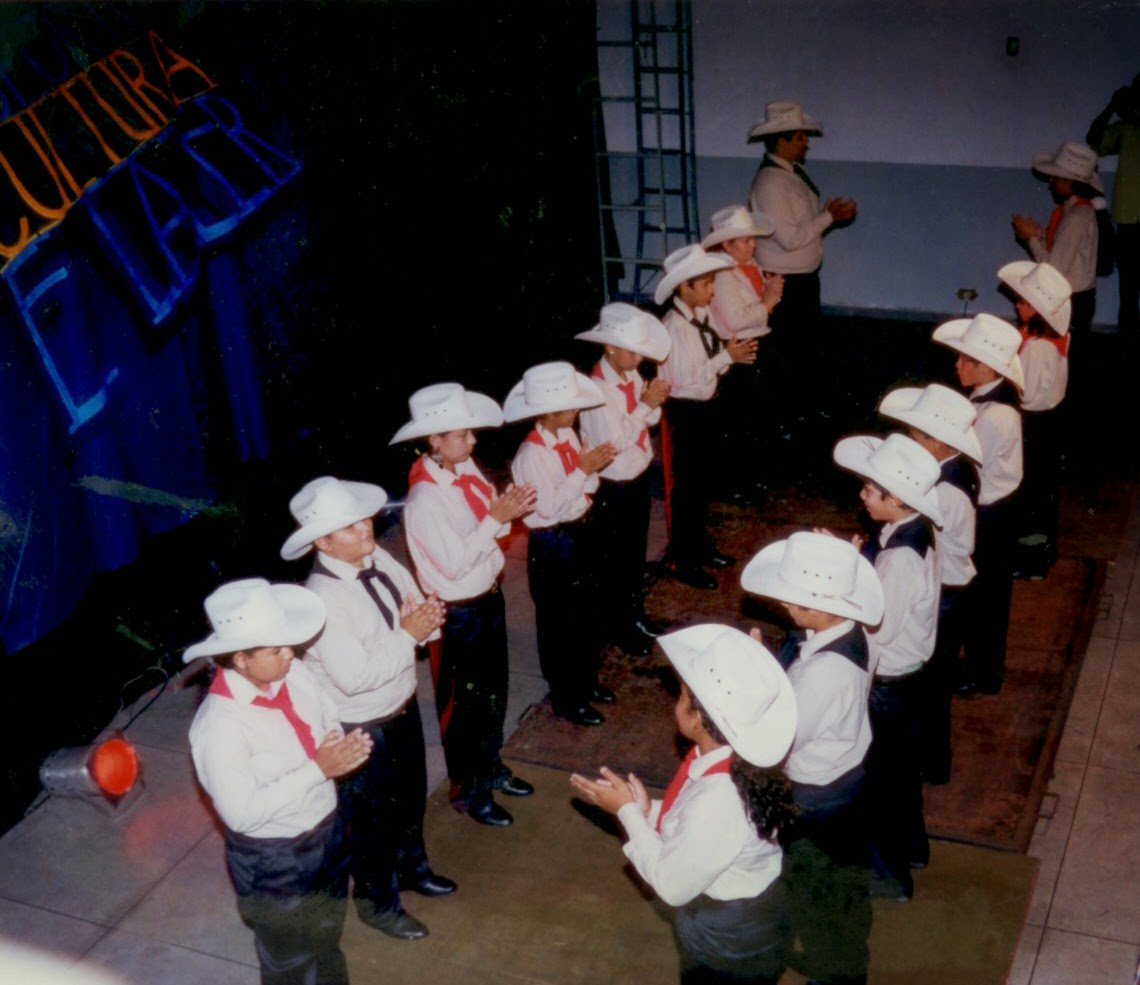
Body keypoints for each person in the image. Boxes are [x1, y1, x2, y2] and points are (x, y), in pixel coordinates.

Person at [570, 623, 798, 985]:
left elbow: (673, 884)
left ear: (698, 718)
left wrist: (627, 813)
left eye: (681, 696)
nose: (676, 702)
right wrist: (650, 812)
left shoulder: (721, 797)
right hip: (750, 918)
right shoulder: (735, 761)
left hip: (728, 938)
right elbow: (702, 831)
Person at [281, 476, 454, 941]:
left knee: (410, 796)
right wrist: (409, 633)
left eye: (363, 519)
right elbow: (354, 678)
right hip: (359, 726)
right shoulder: (322, 599)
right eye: (348, 527)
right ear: (322, 541)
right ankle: (378, 904)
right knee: (371, 820)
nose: (365, 529)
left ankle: (413, 868)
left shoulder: (377, 558)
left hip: (399, 706)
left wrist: (422, 621)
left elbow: (412, 601)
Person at [186, 578, 374, 985]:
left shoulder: (295, 674)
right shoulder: (220, 728)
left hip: (326, 833)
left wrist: (334, 741)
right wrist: (318, 769)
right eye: (276, 650)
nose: (291, 654)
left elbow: (326, 713)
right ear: (241, 659)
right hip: (275, 861)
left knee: (326, 938)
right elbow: (241, 814)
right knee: (291, 963)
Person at [391, 383, 538, 827]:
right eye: (462, 434)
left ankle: (489, 767)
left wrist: (500, 513)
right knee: (463, 710)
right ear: (434, 440)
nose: (473, 442)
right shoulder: (424, 499)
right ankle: (468, 790)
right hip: (459, 614)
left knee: (493, 695)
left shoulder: (464, 468)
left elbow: (487, 520)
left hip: (487, 599)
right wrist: (496, 520)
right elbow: (453, 566)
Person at [741, 531, 885, 985]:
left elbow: (776, 740)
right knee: (844, 893)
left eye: (794, 600)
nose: (784, 605)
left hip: (818, 802)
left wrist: (754, 677)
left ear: (823, 608)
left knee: (820, 894)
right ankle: (839, 962)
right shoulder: (850, 633)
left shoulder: (824, 673)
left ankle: (835, 971)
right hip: (846, 786)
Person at [832, 433, 944, 901]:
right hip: (912, 677)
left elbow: (877, 629)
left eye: (870, 490)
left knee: (878, 782)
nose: (862, 495)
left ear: (896, 499)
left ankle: (889, 876)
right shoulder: (914, 534)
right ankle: (914, 848)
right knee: (901, 775)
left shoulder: (899, 559)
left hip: (890, 687)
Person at [878, 383, 983, 785]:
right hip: (949, 584)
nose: (910, 441)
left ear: (938, 443)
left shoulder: (944, 489)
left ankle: (933, 762)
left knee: (931, 685)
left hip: (948, 593)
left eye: (916, 436)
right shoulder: (954, 471)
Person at [504, 361, 616, 726]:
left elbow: (589, 487)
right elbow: (549, 509)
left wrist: (583, 475)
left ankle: (586, 681)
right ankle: (567, 697)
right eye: (569, 407)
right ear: (549, 413)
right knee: (559, 624)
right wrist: (581, 472)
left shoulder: (568, 435)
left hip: (580, 529)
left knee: (588, 612)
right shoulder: (532, 455)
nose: (577, 411)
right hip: (553, 543)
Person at [931, 314, 1024, 696]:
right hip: (996, 507)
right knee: (986, 594)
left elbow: (969, 468)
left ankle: (983, 672)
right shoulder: (988, 401)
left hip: (991, 513)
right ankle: (982, 667)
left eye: (965, 360)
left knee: (984, 597)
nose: (957, 365)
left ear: (986, 367)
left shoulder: (995, 415)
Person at [655, 243, 757, 589]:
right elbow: (685, 380)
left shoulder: (702, 316)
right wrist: (726, 357)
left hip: (705, 408)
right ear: (685, 287)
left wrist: (728, 355)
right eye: (707, 284)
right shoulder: (674, 327)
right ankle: (681, 558)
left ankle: (698, 546)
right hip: (685, 414)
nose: (713, 291)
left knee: (701, 485)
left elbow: (710, 361)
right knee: (685, 489)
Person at [576, 302, 671, 655]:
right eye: (633, 351)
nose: (638, 359)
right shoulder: (597, 390)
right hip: (613, 485)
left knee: (634, 553)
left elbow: (647, 419)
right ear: (609, 347)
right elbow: (614, 442)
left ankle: (634, 612)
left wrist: (650, 401)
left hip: (638, 474)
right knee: (614, 560)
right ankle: (618, 625)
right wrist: (645, 404)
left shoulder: (629, 374)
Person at [746, 100, 856, 352]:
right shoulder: (771, 183)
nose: (806, 141)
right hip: (786, 287)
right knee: (788, 351)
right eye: (800, 136)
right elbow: (789, 239)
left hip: (800, 283)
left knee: (801, 350)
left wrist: (829, 216)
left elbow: (799, 226)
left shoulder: (790, 174)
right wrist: (828, 216)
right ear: (782, 141)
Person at [998, 260, 1073, 577]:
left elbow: (1025, 392)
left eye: (1024, 301)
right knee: (1042, 490)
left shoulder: (1038, 348)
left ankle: (1032, 560)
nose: (1016, 303)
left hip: (1034, 422)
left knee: (1031, 493)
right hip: (1049, 420)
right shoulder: (1052, 337)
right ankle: (1040, 554)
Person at [702, 205, 784, 492]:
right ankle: (739, 482)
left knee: (757, 417)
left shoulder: (749, 266)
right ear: (727, 244)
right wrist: (768, 301)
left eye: (752, 239)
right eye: (746, 240)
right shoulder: (723, 275)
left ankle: (753, 474)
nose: (753, 245)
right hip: (740, 350)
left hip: (759, 342)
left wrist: (767, 292)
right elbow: (734, 321)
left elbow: (755, 307)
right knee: (742, 420)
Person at [1011, 141, 1102, 335]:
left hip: (1072, 300)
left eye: (1056, 177)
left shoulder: (1076, 217)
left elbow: (1053, 273)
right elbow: (1062, 258)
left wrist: (1031, 240)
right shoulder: (1077, 212)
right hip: (1078, 298)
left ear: (1069, 181)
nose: (1051, 181)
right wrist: (1039, 238)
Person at [1087, 73, 1140, 339]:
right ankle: (1128, 347)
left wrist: (1126, 112)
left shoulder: (1132, 122)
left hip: (1131, 218)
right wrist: (1111, 106)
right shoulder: (1126, 128)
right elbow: (1093, 141)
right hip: (1129, 218)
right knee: (1128, 289)